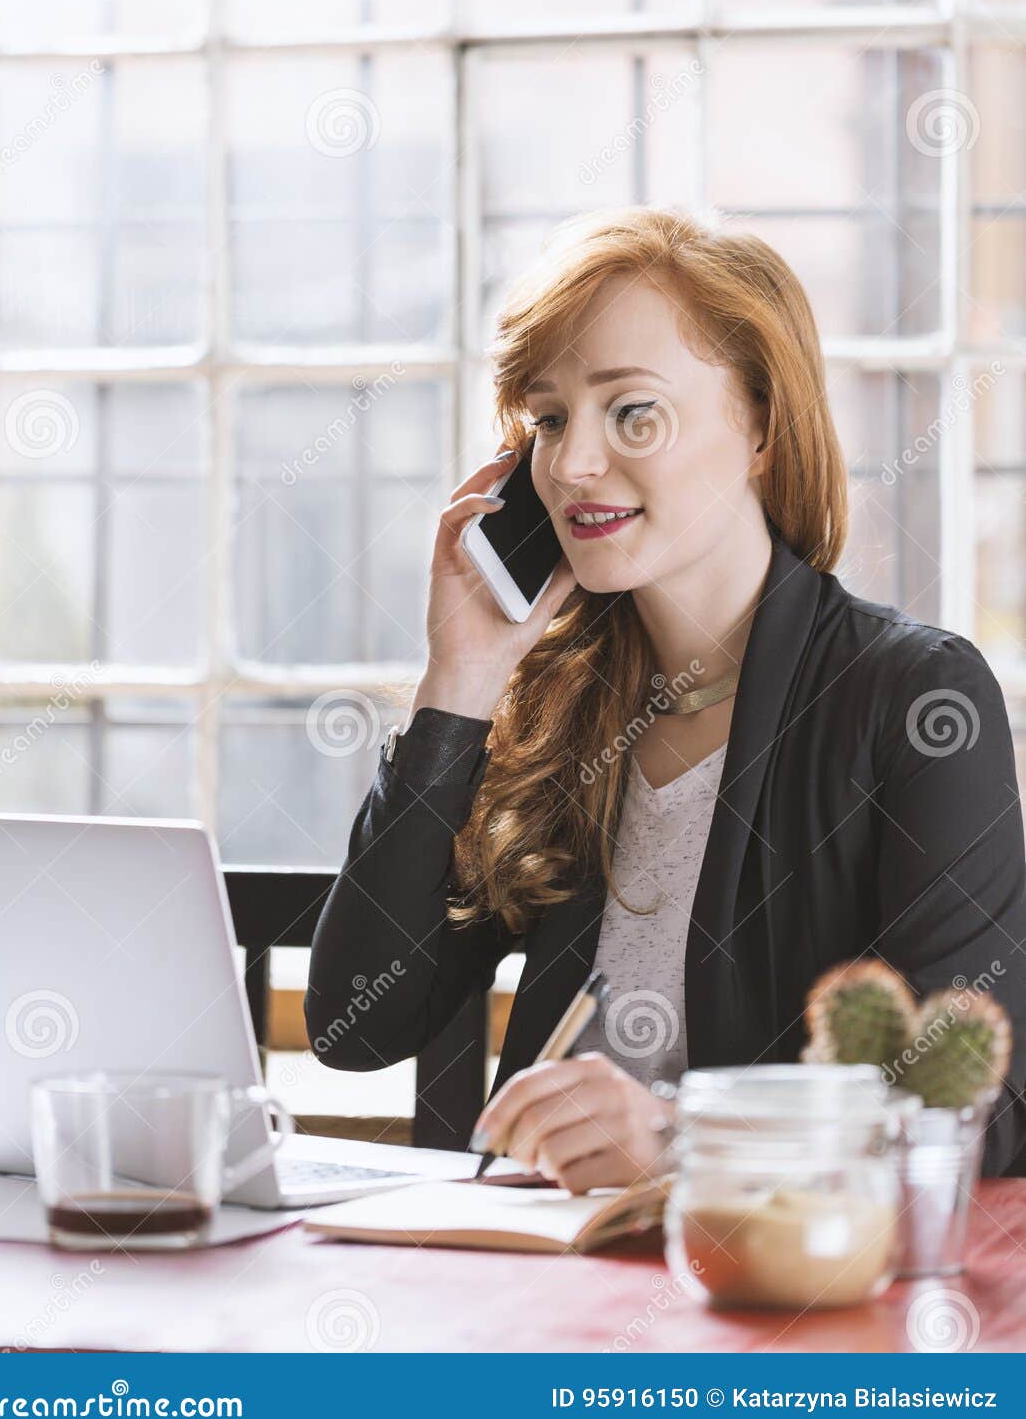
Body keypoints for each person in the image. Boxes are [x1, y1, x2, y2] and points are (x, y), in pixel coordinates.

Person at [305, 206, 1026, 1189]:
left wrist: (685, 1141)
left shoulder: (910, 698)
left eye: (628, 410)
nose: (568, 463)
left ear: (762, 425)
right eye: (549, 417)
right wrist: (459, 683)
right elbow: (359, 1020)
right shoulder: (563, 705)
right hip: (540, 1264)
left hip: (764, 1290)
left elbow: (967, 1115)